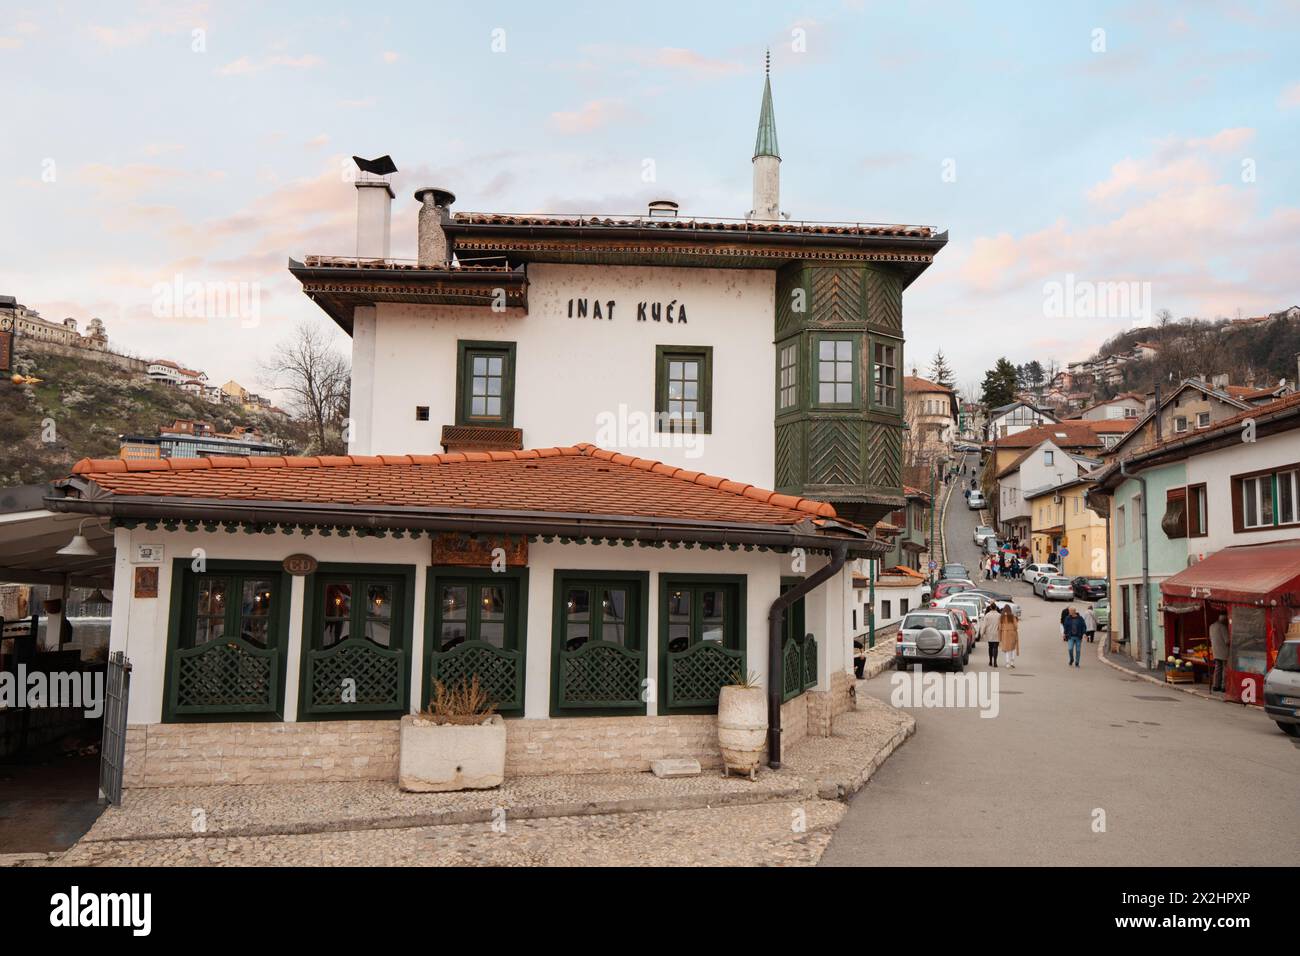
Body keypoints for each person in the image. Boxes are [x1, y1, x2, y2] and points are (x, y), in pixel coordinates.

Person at [1209, 612, 1229, 693]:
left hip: (1215, 651)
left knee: (1217, 668)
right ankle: (1223, 686)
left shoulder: (1211, 626)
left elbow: (1211, 638)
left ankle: (1215, 685)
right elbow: (1227, 641)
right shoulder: (1223, 627)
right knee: (1224, 669)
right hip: (1224, 651)